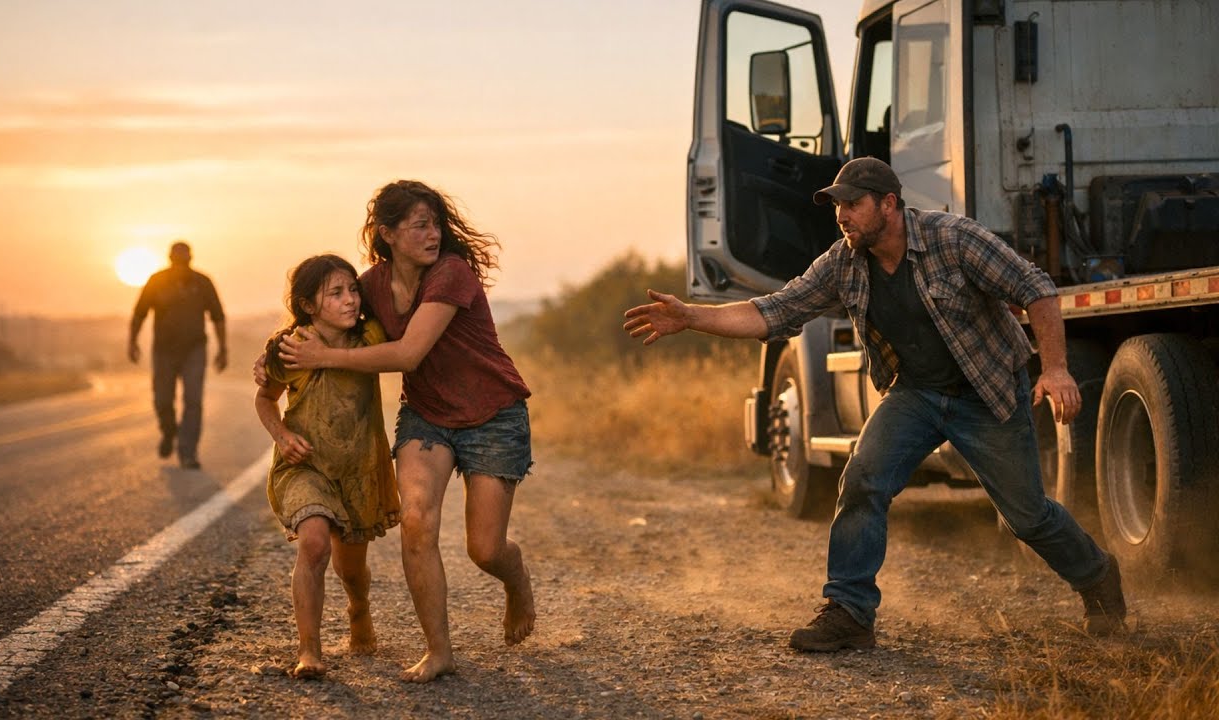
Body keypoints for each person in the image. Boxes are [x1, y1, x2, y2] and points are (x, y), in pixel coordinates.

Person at [623, 157, 1127, 651]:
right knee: (863, 477)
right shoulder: (843, 261)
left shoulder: (954, 238)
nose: (841, 215)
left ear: (889, 204)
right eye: (836, 205)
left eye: (852, 203)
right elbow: (774, 312)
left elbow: (1036, 288)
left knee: (1028, 518)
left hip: (986, 393)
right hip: (915, 393)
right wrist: (691, 316)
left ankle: (1099, 579)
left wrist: (1056, 369)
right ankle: (849, 612)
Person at [262, 180, 535, 683]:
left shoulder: (452, 273)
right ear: (386, 234)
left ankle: (515, 580)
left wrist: (324, 357)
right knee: (415, 519)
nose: (433, 234)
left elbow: (408, 353)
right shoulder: (370, 286)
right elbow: (324, 314)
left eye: (436, 223)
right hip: (427, 415)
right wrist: (277, 355)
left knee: (486, 550)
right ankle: (439, 651)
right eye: (419, 225)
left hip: (493, 414)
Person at [255, 253, 401, 679]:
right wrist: (283, 437)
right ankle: (310, 651)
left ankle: (358, 607)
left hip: (357, 468)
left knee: (351, 568)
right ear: (308, 305)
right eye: (335, 293)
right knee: (315, 543)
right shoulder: (290, 348)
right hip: (306, 467)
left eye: (353, 290)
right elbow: (265, 399)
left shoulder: (370, 335)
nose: (350, 300)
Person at [128, 240, 227, 469]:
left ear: (191, 259)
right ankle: (169, 431)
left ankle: (188, 452)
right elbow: (139, 313)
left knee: (193, 401)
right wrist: (132, 342)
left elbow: (218, 316)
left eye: (185, 260)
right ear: (169, 259)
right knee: (162, 399)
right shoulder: (156, 281)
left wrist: (223, 350)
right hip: (163, 350)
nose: (181, 264)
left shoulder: (202, 282)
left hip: (195, 349)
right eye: (177, 260)